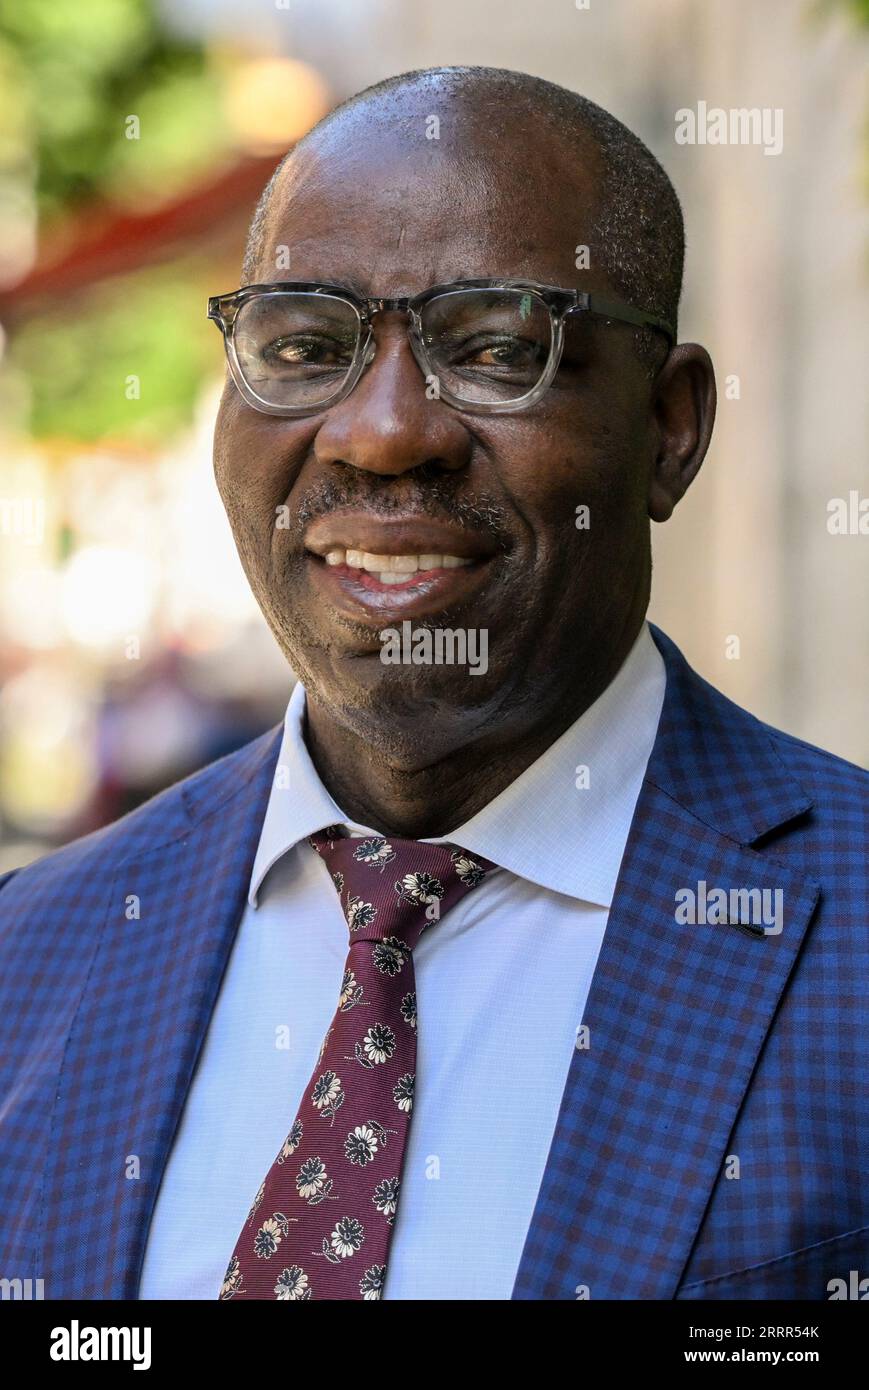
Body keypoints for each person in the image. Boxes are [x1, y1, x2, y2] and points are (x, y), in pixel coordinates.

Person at [0, 66, 866, 1302]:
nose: (384, 432)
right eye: (301, 344)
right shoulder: (36, 950)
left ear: (668, 429)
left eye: (498, 347)